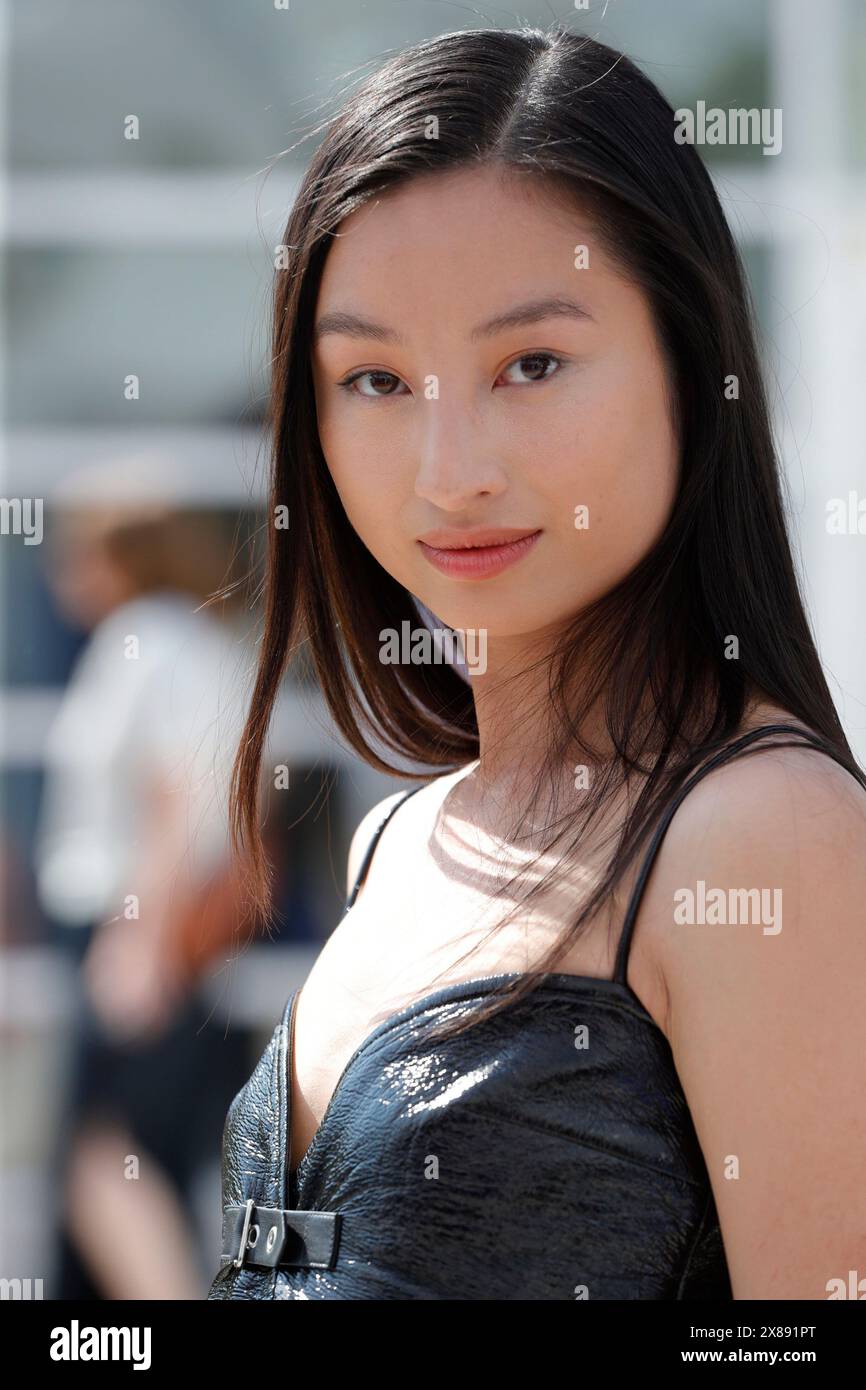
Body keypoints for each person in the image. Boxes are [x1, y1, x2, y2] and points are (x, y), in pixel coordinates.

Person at [208, 26, 866, 1300]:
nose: (450, 469)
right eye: (377, 379)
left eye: (533, 364)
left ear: (693, 367)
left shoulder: (758, 838)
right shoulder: (397, 839)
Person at [36, 487, 254, 1298]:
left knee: (101, 1148)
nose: (63, 573)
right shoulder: (205, 643)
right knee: (145, 1149)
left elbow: (173, 799)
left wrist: (140, 942)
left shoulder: (145, 638)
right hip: (172, 925)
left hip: (133, 920)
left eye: (78, 551)